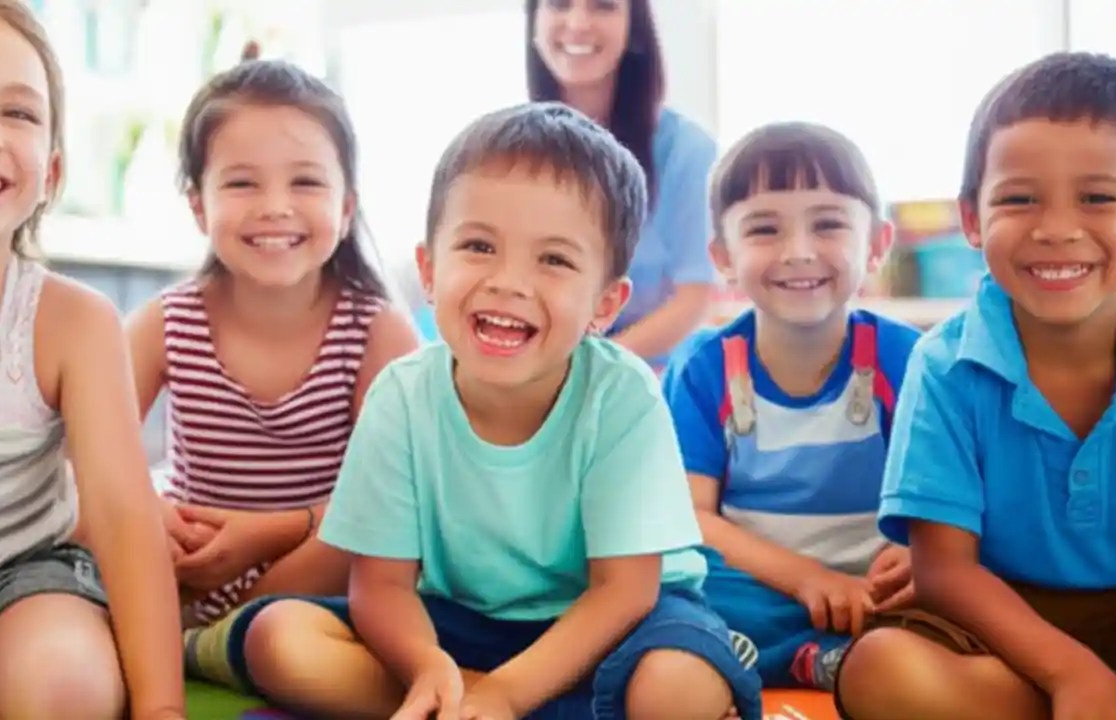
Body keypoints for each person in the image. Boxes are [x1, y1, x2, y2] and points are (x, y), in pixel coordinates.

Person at [184, 102, 764, 719]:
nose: (509, 282)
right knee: (283, 640)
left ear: (606, 302)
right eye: (479, 246)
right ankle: (471, 702)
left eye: (555, 260)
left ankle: (490, 706)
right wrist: (426, 666)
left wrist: (508, 693)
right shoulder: (403, 396)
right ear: (429, 271)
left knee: (675, 689)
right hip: (459, 624)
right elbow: (380, 586)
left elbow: (624, 591)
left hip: (616, 623)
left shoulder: (622, 394)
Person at [834, 52, 1116, 720]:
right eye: (1019, 198)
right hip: (1005, 618)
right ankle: (1090, 702)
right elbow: (945, 570)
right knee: (880, 671)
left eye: (1097, 197)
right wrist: (1071, 674)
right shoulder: (945, 365)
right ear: (973, 219)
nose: (1057, 228)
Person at [0, 0, 184, 717]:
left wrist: (164, 708)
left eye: (17, 113)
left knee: (64, 681)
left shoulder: (71, 322)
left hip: (12, 591)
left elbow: (121, 515)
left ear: (49, 170)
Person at [126, 42, 419, 627]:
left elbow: (401, 501)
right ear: (198, 207)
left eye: (306, 183)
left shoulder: (376, 332)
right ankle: (204, 639)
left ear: (345, 207)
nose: (275, 207)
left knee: (375, 526)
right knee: (105, 513)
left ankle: (226, 639)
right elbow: (87, 459)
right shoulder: (165, 323)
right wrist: (150, 514)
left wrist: (269, 534)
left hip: (319, 586)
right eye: (241, 184)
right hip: (186, 575)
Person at [662, 122, 921, 693]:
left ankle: (790, 655)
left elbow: (944, 496)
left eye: (828, 224)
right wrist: (807, 578)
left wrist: (913, 553)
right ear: (723, 256)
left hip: (874, 589)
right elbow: (693, 517)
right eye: (764, 229)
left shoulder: (910, 360)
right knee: (669, 576)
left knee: (955, 579)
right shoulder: (704, 368)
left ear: (877, 243)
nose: (798, 252)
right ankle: (808, 654)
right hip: (759, 582)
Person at [527, 0, 718, 368]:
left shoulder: (688, 151)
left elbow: (692, 299)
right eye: (559, 5)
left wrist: (587, 368)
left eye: (603, 6)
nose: (578, 22)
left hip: (647, 376)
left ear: (635, 27)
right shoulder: (506, 153)